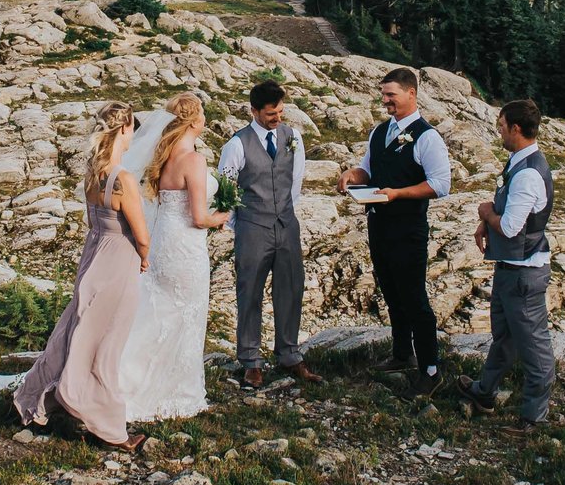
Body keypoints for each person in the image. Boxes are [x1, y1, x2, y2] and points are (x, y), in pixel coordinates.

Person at [15, 102, 151, 451]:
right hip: (119, 262)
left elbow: (95, 225)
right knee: (106, 345)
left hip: (93, 259)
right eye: (132, 127)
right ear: (123, 130)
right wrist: (145, 257)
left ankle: (57, 397)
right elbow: (142, 235)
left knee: (79, 333)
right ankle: (110, 429)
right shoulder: (123, 179)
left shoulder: (93, 173)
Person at [116, 91, 232, 421]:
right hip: (186, 248)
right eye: (203, 114)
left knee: (160, 312)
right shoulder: (193, 160)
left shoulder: (164, 158)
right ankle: (180, 393)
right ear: (195, 121)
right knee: (187, 314)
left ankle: (129, 376)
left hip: (164, 243)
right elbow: (198, 217)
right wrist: (220, 218)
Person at [341, 66, 451, 394]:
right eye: (383, 94)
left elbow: (441, 184)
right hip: (379, 224)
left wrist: (399, 194)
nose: (385, 100)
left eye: (391, 95)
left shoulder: (427, 137)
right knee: (390, 291)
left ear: (411, 94)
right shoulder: (380, 131)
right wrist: (352, 175)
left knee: (414, 297)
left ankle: (430, 369)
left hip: (408, 227)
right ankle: (402, 353)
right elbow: (368, 168)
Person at [219, 78, 320, 391]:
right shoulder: (237, 144)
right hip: (252, 227)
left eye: (280, 112)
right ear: (254, 111)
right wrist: (242, 224)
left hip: (286, 224)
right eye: (270, 114)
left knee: (291, 288)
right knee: (249, 292)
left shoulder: (293, 137)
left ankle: (289, 354)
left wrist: (285, 213)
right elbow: (226, 189)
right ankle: (250, 361)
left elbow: (296, 181)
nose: (277, 119)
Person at [465, 97, 555, 424]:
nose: (499, 132)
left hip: (523, 274)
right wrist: (486, 219)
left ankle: (534, 417)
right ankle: (484, 391)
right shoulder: (519, 161)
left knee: (534, 349)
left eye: (501, 127)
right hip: (511, 268)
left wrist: (486, 212)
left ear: (516, 128)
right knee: (504, 336)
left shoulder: (529, 173)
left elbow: (510, 225)